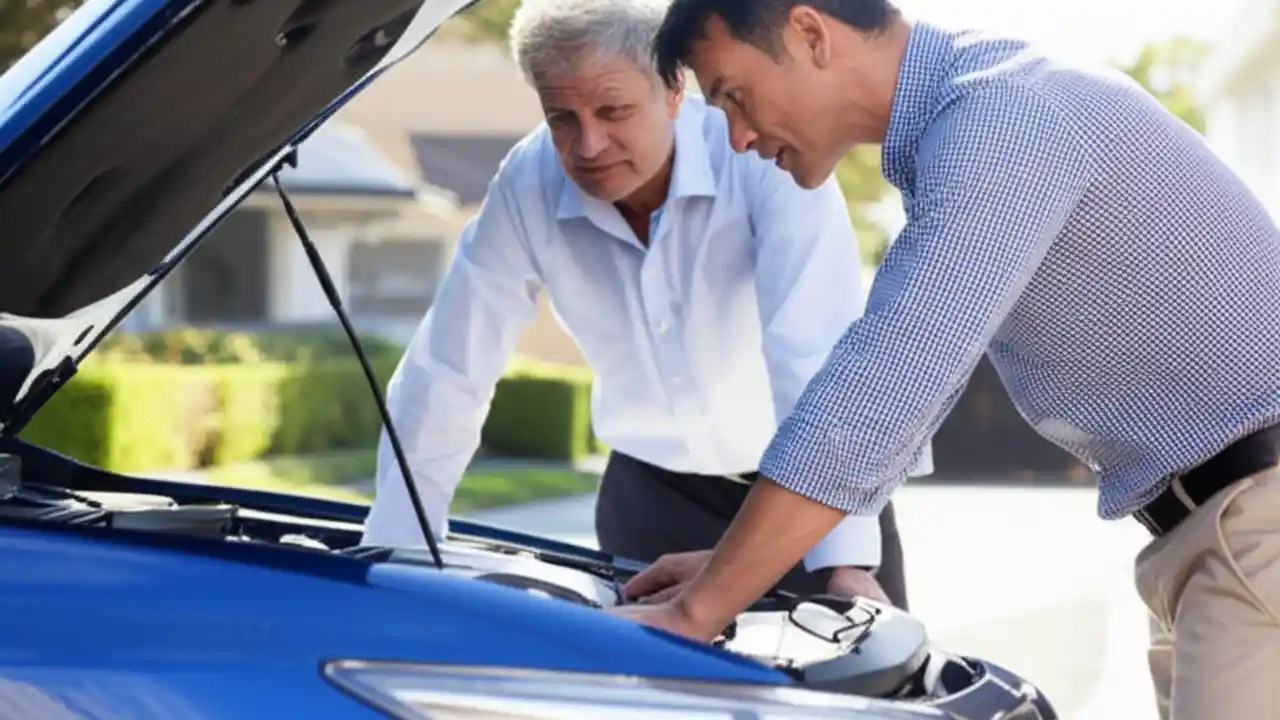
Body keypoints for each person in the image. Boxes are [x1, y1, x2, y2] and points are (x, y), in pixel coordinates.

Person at [608, 2, 1280, 718]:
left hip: (1257, 523)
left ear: (809, 34)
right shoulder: (980, 111)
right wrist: (730, 568)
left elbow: (884, 390)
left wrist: (700, 611)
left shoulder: (1004, 118)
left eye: (734, 96)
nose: (737, 137)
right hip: (1215, 530)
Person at [360, 0, 931, 607]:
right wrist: (394, 549)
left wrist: (841, 558)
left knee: (850, 699)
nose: (589, 144)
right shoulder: (527, 182)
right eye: (562, 117)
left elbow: (814, 351)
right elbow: (449, 366)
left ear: (674, 88)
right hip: (649, 501)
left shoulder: (760, 150)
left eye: (613, 110)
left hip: (805, 498)